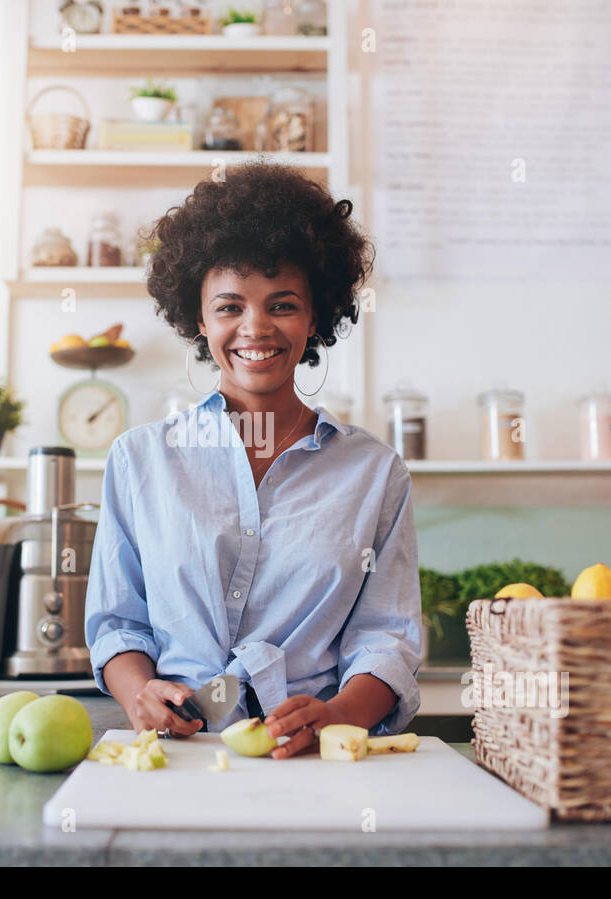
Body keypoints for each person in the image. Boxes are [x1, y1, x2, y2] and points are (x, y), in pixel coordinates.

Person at [85, 162, 422, 759]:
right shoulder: (139, 461)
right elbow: (118, 624)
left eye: (283, 304)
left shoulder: (375, 473)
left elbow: (385, 637)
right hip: (176, 753)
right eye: (230, 306)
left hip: (316, 758)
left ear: (316, 316)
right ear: (199, 317)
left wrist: (338, 715)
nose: (256, 327)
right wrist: (141, 692)